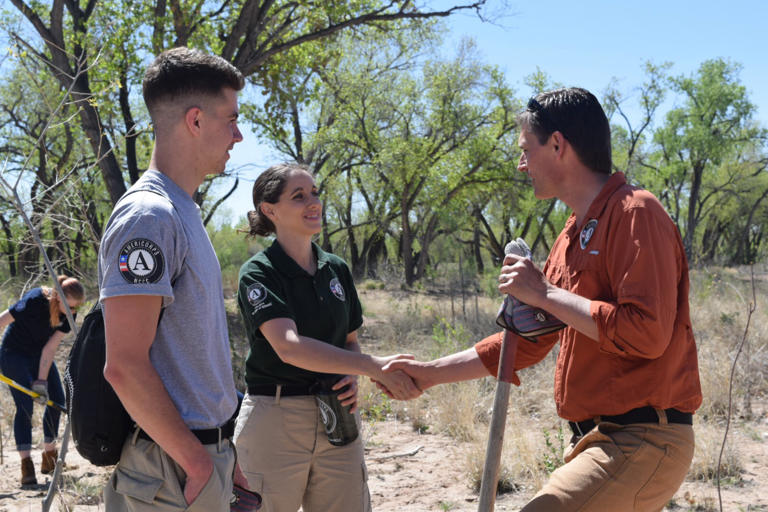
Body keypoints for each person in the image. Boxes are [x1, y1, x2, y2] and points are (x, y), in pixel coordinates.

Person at [382, 88, 703, 511]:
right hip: (595, 442)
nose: (521, 164)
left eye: (525, 150)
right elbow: (528, 339)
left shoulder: (635, 212)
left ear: (557, 144)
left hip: (643, 439)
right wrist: (428, 373)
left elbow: (647, 333)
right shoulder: (570, 235)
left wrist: (545, 292)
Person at [98, 47, 248, 511]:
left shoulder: (182, 211)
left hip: (200, 456)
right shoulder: (149, 216)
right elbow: (124, 364)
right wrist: (198, 462)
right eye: (231, 119)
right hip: (171, 471)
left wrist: (223, 450)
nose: (239, 135)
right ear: (196, 121)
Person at [234, 162, 421, 512]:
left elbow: (349, 339)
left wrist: (351, 372)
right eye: (299, 196)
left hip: (338, 415)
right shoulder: (259, 273)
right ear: (269, 209)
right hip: (275, 419)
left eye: (315, 193)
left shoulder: (336, 268)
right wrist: (372, 367)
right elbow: (288, 347)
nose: (313, 202)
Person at [0, 275, 85, 486]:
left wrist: (41, 381)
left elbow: (50, 349)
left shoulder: (69, 315)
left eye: (76, 308)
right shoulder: (36, 299)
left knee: (57, 400)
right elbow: (3, 319)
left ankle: (49, 457)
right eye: (71, 307)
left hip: (39, 355)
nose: (73, 312)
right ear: (58, 298)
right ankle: (26, 465)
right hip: (14, 354)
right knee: (25, 406)